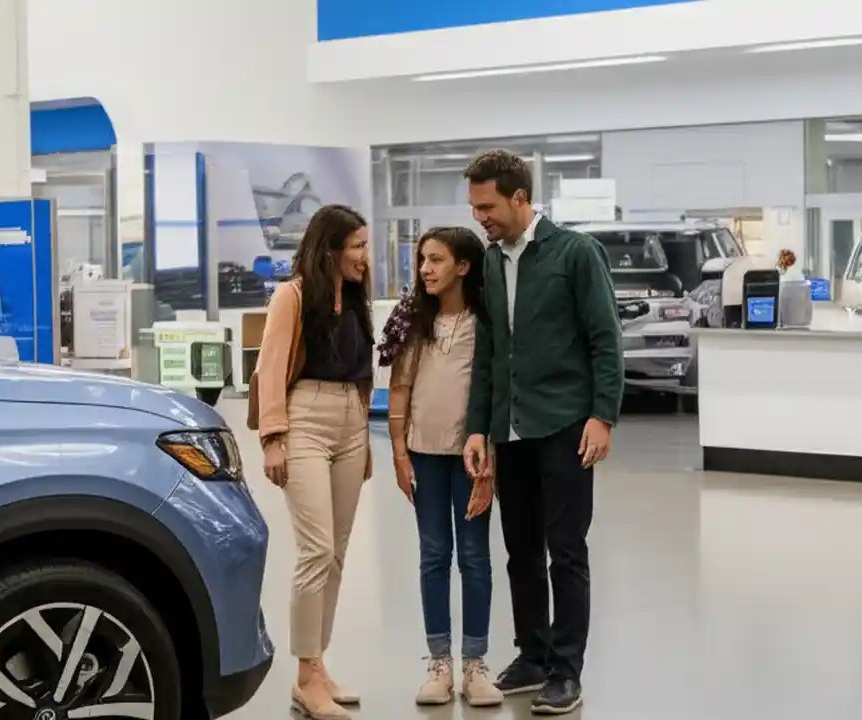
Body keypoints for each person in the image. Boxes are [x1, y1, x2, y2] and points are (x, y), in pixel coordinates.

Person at [460, 150, 624, 715]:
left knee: (566, 551)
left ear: (520, 198)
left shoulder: (575, 254)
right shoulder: (488, 262)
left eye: (487, 206)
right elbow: (488, 352)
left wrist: (603, 416)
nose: (480, 216)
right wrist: (479, 427)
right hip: (510, 429)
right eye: (475, 207)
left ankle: (566, 670)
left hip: (566, 426)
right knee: (520, 551)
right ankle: (532, 654)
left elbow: (606, 339)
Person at [256, 204, 374, 720]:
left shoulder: (355, 297)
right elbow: (271, 363)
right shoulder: (293, 295)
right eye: (358, 247)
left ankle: (318, 664)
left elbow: (362, 367)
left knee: (338, 551)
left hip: (351, 417)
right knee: (316, 549)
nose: (365, 257)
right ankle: (304, 677)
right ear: (330, 249)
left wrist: (364, 436)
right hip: (305, 414)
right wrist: (272, 438)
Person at [379, 227, 504, 708]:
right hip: (424, 455)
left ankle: (475, 663)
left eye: (436, 260)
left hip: (474, 458)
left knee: (474, 557)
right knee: (433, 556)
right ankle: (439, 663)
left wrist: (490, 459)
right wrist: (398, 450)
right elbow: (400, 389)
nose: (426, 269)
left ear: (464, 267)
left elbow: (493, 392)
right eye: (422, 261)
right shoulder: (413, 319)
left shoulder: (486, 321)